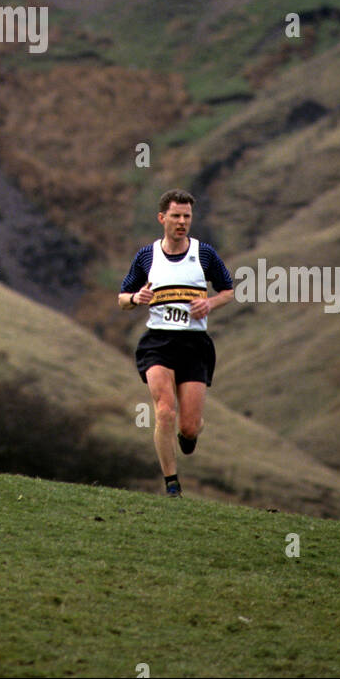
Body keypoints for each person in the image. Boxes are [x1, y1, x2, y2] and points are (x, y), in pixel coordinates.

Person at [118, 189, 233, 496]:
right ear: (162, 218)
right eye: (176, 216)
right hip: (158, 342)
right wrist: (135, 297)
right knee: (165, 411)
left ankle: (191, 432)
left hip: (194, 344)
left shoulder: (204, 254)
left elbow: (228, 290)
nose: (182, 222)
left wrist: (210, 303)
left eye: (187, 216)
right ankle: (171, 484)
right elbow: (122, 298)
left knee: (188, 426)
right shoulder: (146, 256)